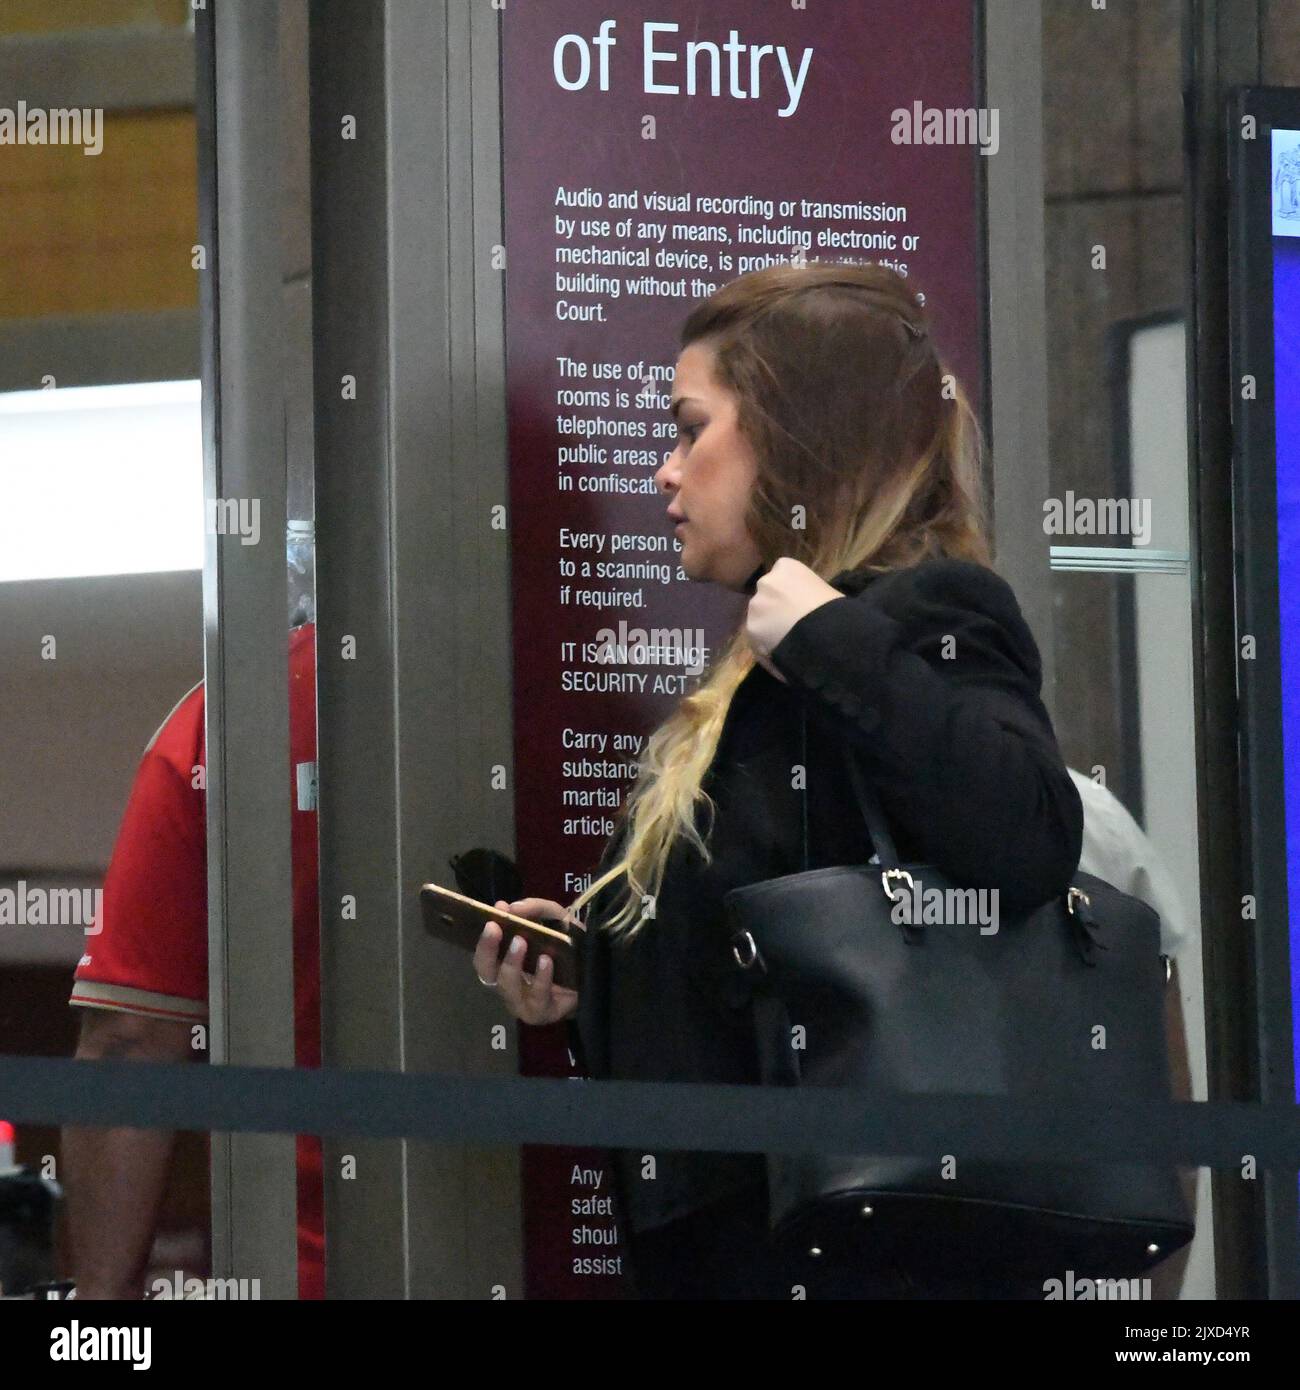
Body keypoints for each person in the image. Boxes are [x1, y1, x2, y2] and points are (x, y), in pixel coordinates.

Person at [474, 262, 1086, 1299]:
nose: (665, 472)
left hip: (873, 1259)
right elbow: (762, 968)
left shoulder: (925, 615)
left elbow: (1025, 837)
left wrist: (832, 640)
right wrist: (591, 980)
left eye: (689, 428)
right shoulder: (762, 667)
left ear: (795, 437)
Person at [62, 622, 323, 1299]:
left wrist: (98, 1329)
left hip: (301, 1271)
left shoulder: (225, 721)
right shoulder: (563, 673)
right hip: (567, 1248)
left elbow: (130, 1045)